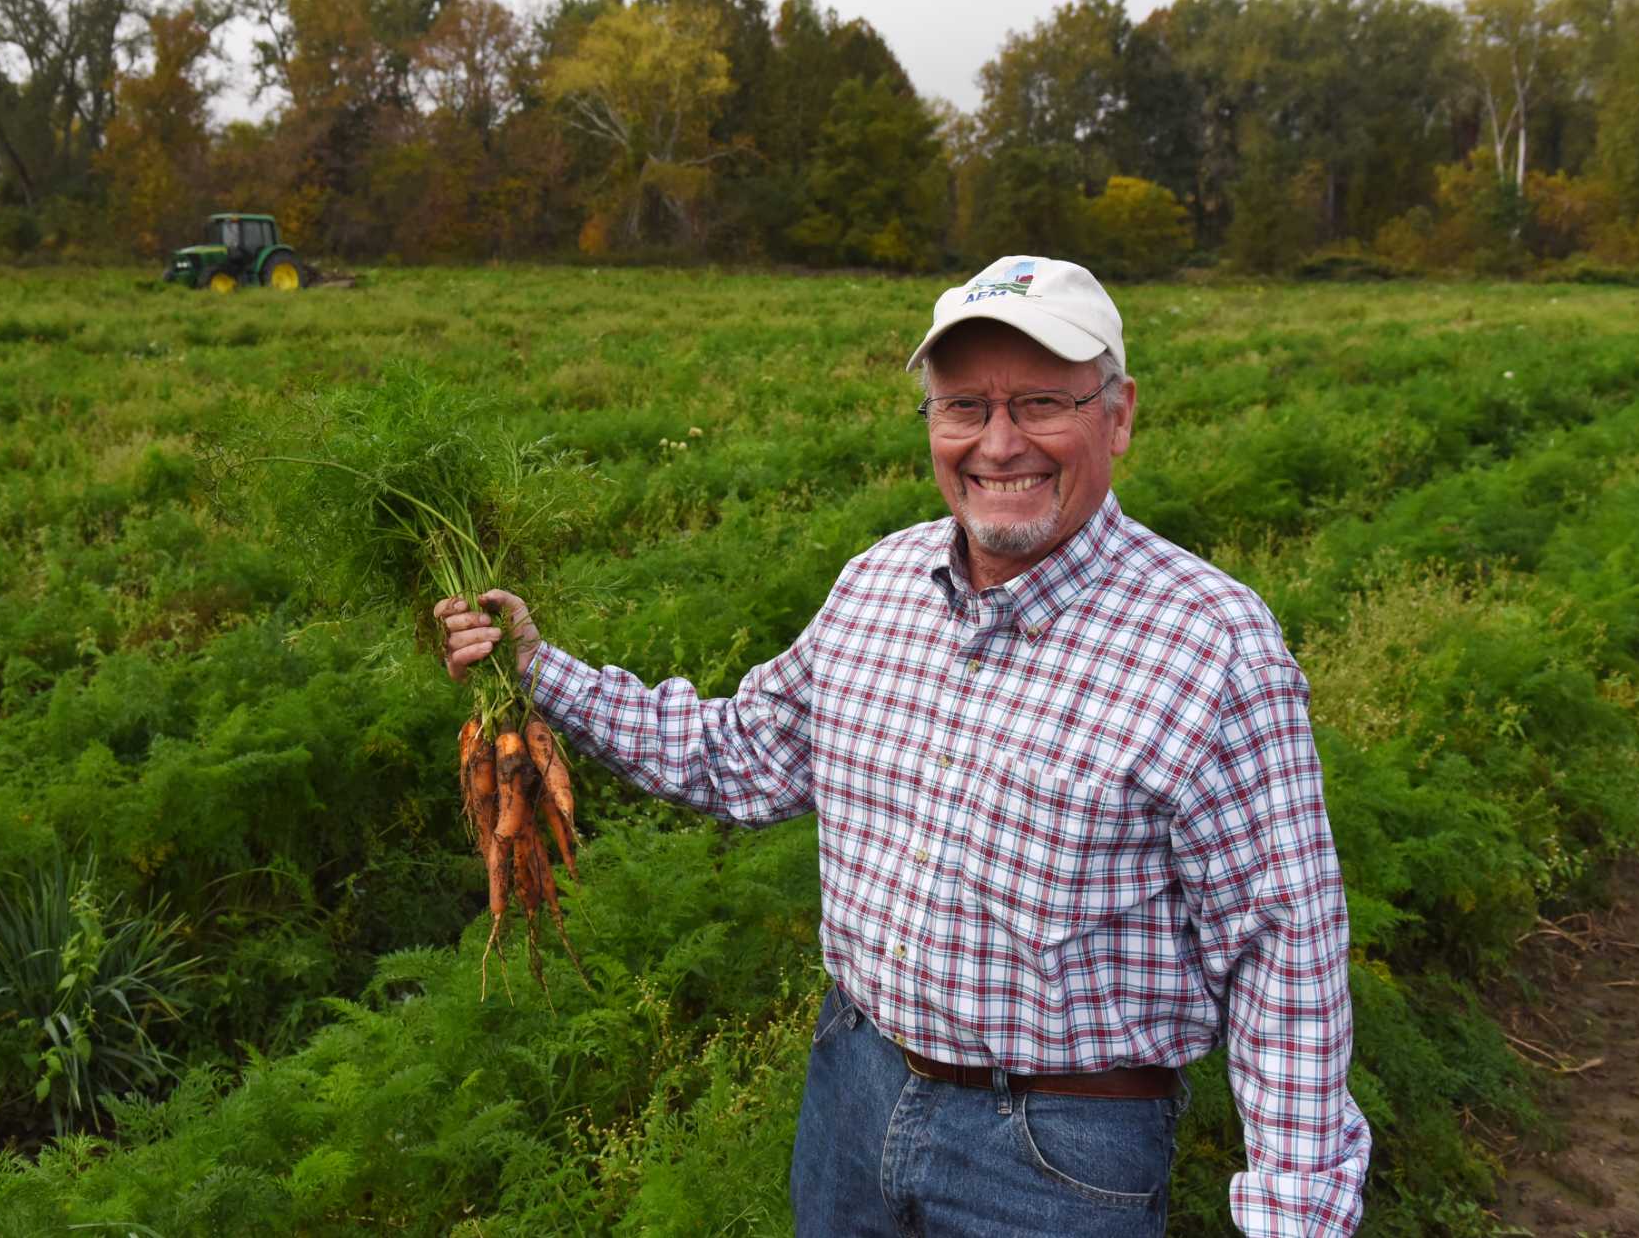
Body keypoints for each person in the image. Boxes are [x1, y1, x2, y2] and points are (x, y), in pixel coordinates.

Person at [438, 255, 1370, 1237]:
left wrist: (1295, 1217)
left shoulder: (1209, 644)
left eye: (1041, 401)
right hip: (853, 1083)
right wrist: (539, 667)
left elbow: (1284, 959)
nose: (998, 442)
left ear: (1119, 412)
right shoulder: (875, 585)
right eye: (962, 405)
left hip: (1057, 1150)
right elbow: (733, 754)